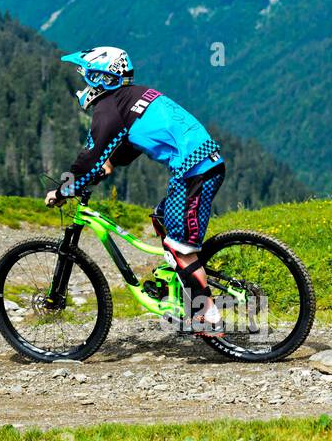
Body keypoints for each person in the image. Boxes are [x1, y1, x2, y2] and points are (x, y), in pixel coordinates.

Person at [45, 47, 226, 336]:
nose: (85, 85)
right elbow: (133, 138)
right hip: (202, 165)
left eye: (88, 77)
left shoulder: (108, 108)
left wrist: (65, 189)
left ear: (101, 77)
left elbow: (89, 156)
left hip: (195, 172)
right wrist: (112, 163)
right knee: (162, 218)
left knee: (181, 248)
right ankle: (177, 280)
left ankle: (207, 315)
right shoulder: (134, 96)